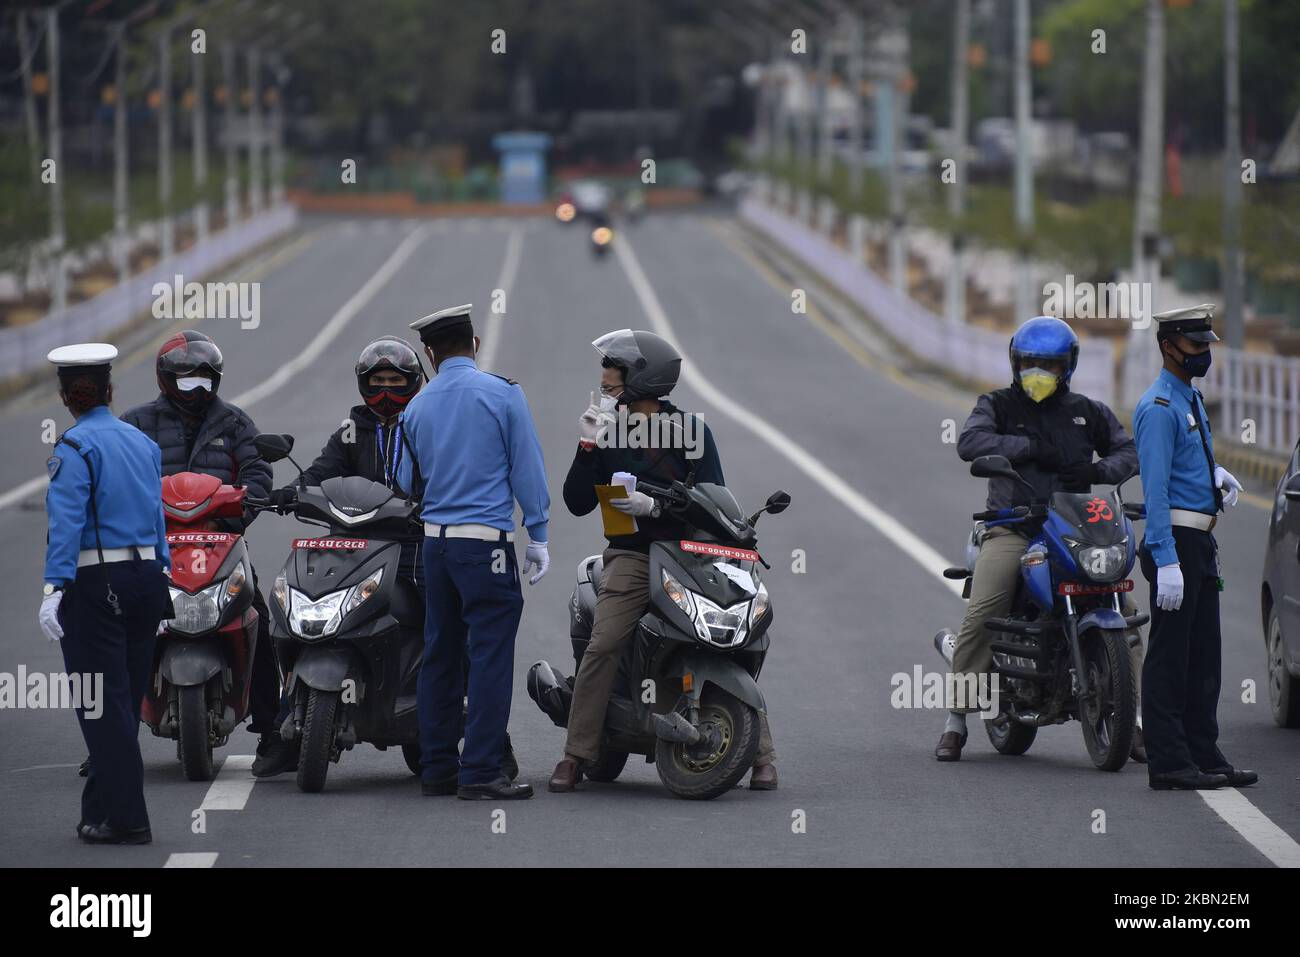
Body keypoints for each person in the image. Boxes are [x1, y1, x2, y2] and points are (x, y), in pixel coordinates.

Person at [271, 335, 518, 778]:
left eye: (396, 381)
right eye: (378, 381)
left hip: (414, 550)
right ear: (364, 385)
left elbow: (442, 477)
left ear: (413, 382)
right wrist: (294, 491)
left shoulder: (423, 423)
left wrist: (428, 504)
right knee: (300, 615)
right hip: (352, 547)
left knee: (450, 633)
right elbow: (320, 471)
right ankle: (286, 727)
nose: (386, 391)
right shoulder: (351, 431)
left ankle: (494, 745)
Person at [548, 329, 779, 793]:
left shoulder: (693, 432)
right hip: (632, 556)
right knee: (605, 641)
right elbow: (575, 503)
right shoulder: (607, 432)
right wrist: (587, 444)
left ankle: (761, 752)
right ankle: (576, 753)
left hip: (689, 553)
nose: (606, 393)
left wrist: (657, 508)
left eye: (612, 386)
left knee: (729, 638)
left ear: (640, 382)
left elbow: (715, 501)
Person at [937, 316, 1139, 762]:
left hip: (1073, 530)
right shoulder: (998, 405)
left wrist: (1097, 471)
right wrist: (1025, 449)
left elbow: (1129, 451)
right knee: (985, 609)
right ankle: (956, 719)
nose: (1039, 372)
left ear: (1068, 366)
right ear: (1015, 362)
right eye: (1030, 362)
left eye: (1049, 364)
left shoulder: (1089, 411)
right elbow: (970, 442)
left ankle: (1133, 718)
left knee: (1125, 611)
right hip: (1014, 526)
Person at [396, 304, 549, 800]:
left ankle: (437, 767)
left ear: (430, 354)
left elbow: (404, 481)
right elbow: (526, 468)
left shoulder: (415, 407)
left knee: (439, 652)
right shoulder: (502, 393)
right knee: (489, 656)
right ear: (475, 344)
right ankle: (481, 769)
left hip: (434, 546)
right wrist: (539, 533)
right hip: (486, 546)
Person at [119, 331, 290, 775]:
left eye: (204, 380)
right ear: (165, 380)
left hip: (221, 541)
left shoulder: (233, 422)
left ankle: (274, 731)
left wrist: (245, 504)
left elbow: (257, 469)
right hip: (156, 547)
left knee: (261, 617)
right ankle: (109, 738)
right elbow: (118, 476)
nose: (196, 389)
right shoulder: (137, 425)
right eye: (186, 380)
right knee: (122, 628)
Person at [40, 343, 172, 844]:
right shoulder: (142, 443)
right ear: (109, 391)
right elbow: (158, 517)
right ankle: (98, 808)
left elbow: (67, 524)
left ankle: (128, 819)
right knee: (122, 699)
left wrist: (55, 588)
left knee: (99, 702)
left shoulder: (74, 448)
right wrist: (163, 578)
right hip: (145, 580)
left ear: (65, 398)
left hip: (99, 584)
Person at [1133, 304, 1255, 790]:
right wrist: (1165, 560)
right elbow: (1157, 489)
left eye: (1207, 344)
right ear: (1169, 347)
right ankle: (1168, 761)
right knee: (1169, 658)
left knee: (1205, 655)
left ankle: (1203, 752)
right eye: (1195, 345)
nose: (1204, 352)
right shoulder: (1159, 407)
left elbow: (1186, 466)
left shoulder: (1188, 397)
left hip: (1199, 540)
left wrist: (1213, 477)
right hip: (1176, 542)